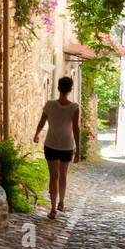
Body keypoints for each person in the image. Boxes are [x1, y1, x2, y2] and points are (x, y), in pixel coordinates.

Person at [33, 76, 81, 220]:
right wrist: (78, 149)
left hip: (51, 144)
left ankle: (53, 209)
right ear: (71, 89)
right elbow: (76, 129)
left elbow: (42, 122)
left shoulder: (49, 104)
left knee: (53, 176)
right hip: (67, 146)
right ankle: (61, 203)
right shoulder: (74, 107)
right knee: (63, 175)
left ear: (58, 88)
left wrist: (36, 134)